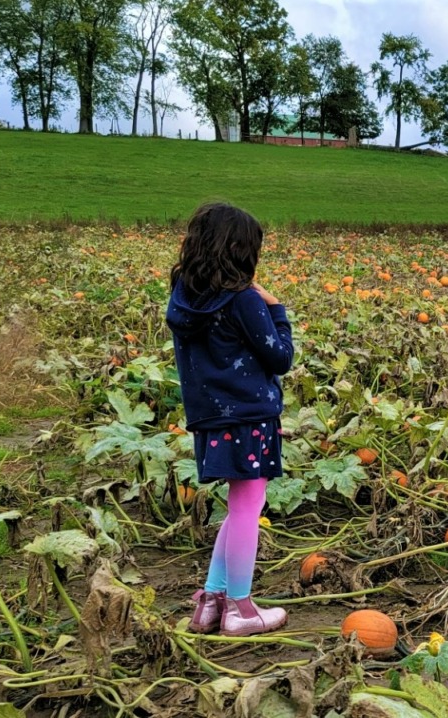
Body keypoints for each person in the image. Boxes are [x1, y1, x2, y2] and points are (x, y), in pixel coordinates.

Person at [166, 203, 293, 636]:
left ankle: (209, 603)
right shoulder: (242, 300)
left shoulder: (184, 296)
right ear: (240, 251)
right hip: (251, 415)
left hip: (210, 418)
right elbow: (280, 356)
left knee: (240, 508)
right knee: (247, 509)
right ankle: (241, 608)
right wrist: (276, 310)